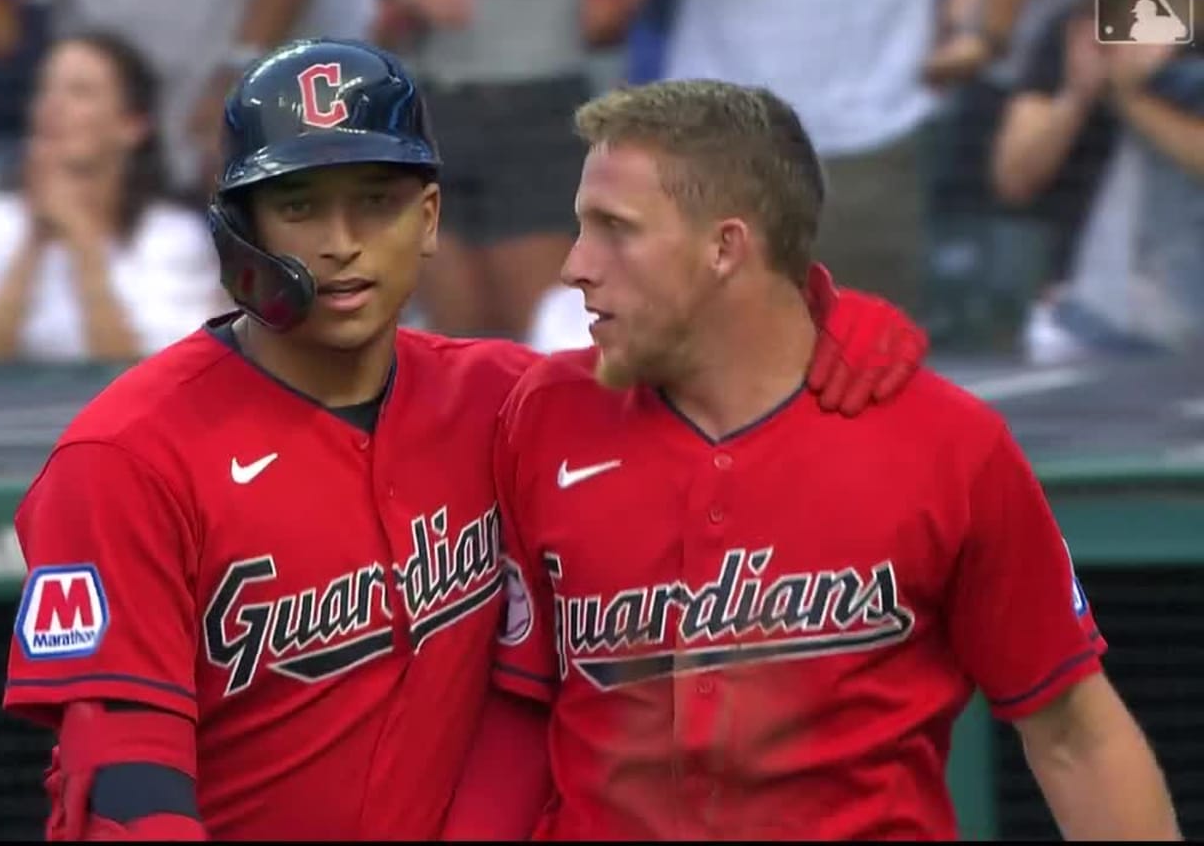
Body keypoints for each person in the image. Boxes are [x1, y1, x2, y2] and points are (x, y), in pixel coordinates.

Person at [0, 38, 929, 840]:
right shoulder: (127, 457)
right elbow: (122, 774)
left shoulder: (511, 401)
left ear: (430, 218)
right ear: (239, 231)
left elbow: (722, 368)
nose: (341, 243)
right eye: (300, 207)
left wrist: (831, 318)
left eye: (376, 201)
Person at [480, 79, 1179, 840]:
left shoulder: (946, 444)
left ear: (725, 246)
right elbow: (514, 719)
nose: (576, 264)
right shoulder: (540, 418)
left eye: (614, 229)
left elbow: (1074, 735)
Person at [0, 31, 227, 364]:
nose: (52, 106)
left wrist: (83, 242)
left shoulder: (172, 237)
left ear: (132, 125)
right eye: (45, 89)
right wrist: (33, 243)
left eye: (80, 92)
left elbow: (152, 380)